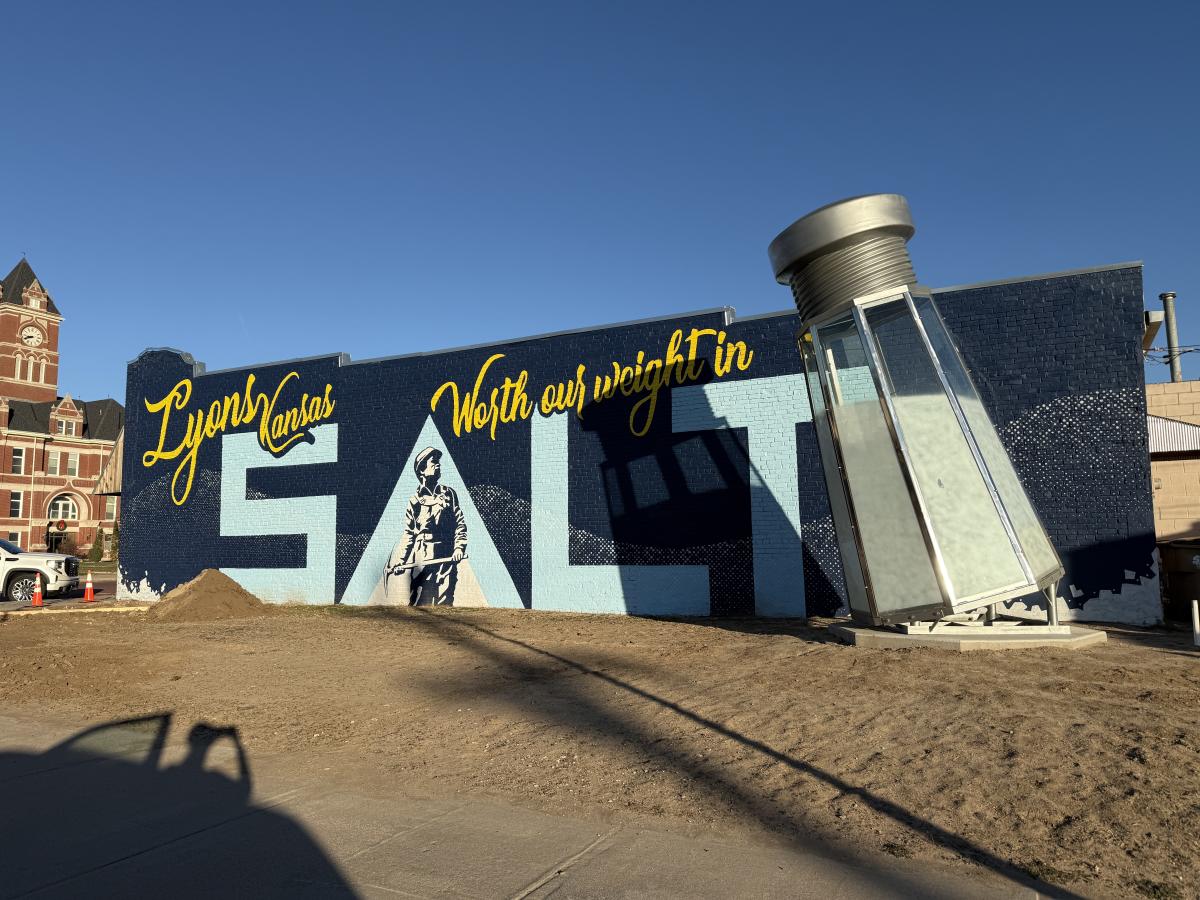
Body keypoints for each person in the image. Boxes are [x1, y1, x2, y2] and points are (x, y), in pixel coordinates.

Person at [386, 447, 467, 606]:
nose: (438, 465)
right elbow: (409, 534)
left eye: (439, 462)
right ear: (422, 470)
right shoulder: (414, 501)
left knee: (445, 606)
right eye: (434, 462)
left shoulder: (449, 494)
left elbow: (460, 524)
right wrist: (401, 561)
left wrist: (459, 548)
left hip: (446, 558)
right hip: (422, 559)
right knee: (419, 604)